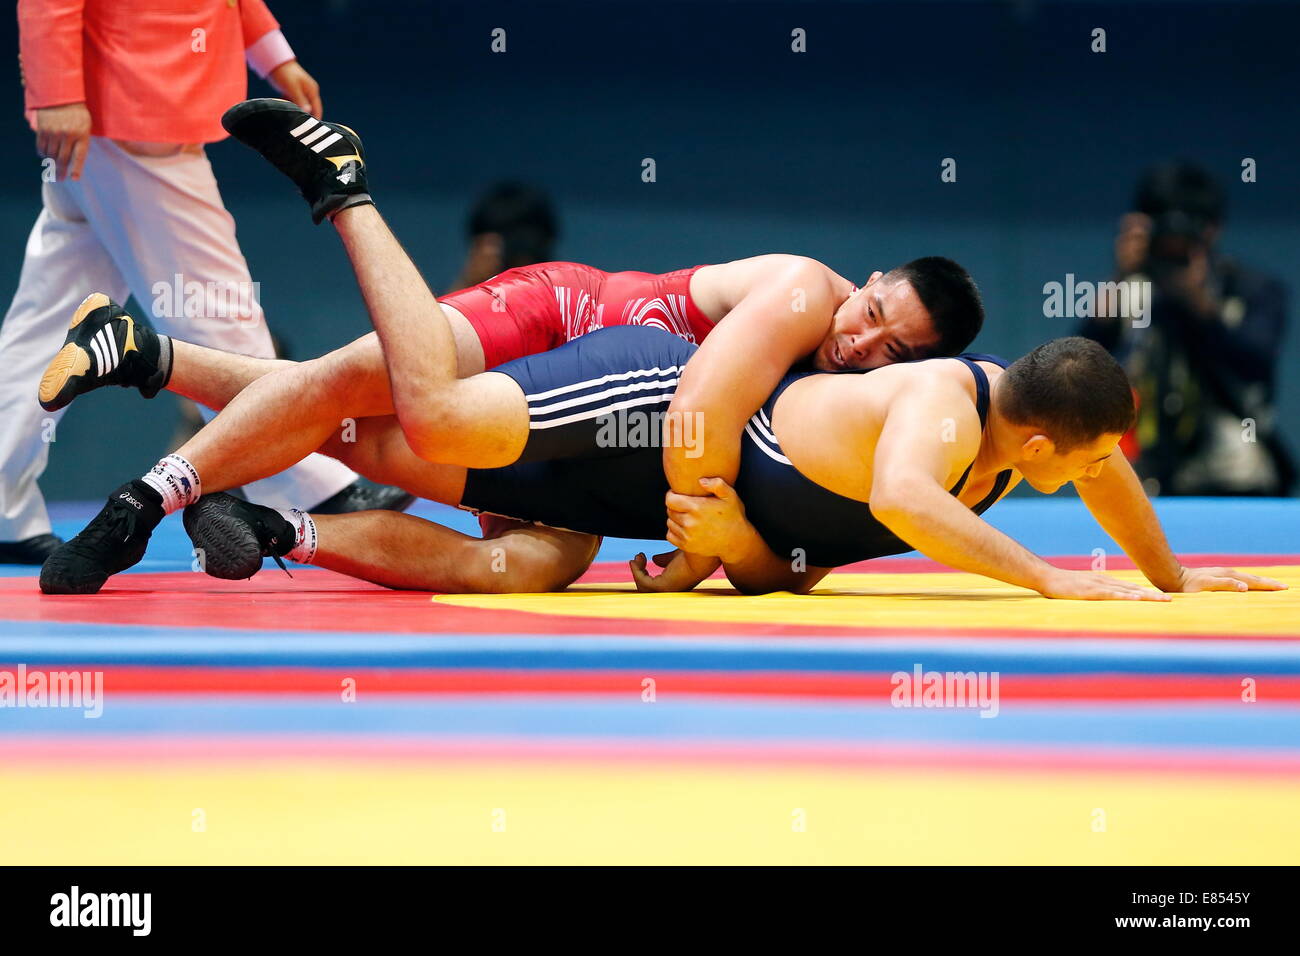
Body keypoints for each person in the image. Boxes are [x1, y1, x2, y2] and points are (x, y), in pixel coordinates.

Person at [40, 131, 1281, 601]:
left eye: (892, 342)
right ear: (867, 282)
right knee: (397, 402)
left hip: (653, 457)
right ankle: (346, 192)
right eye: (873, 316)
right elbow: (708, 413)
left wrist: (1172, 580)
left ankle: (167, 373)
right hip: (596, 341)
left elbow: (1103, 469)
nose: (862, 341)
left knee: (497, 539)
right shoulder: (845, 328)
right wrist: (1057, 585)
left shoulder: (1012, 434)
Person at [0, 1, 412, 567]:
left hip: (134, 103)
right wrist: (58, 93)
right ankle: (300, 481)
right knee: (214, 305)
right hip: (132, 104)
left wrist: (274, 56)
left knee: (46, 321)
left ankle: (1, 499)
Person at [1079, 161, 1293, 496]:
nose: (1174, 241)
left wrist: (1199, 304)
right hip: (1149, 479)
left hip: (1237, 480)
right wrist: (1118, 278)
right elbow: (1081, 369)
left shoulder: (1253, 289)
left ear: (1213, 229)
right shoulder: (1129, 291)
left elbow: (1256, 364)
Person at [449, 182, 560, 292]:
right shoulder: (471, 293)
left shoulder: (564, 292)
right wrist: (470, 283)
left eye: (526, 241)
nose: (518, 250)